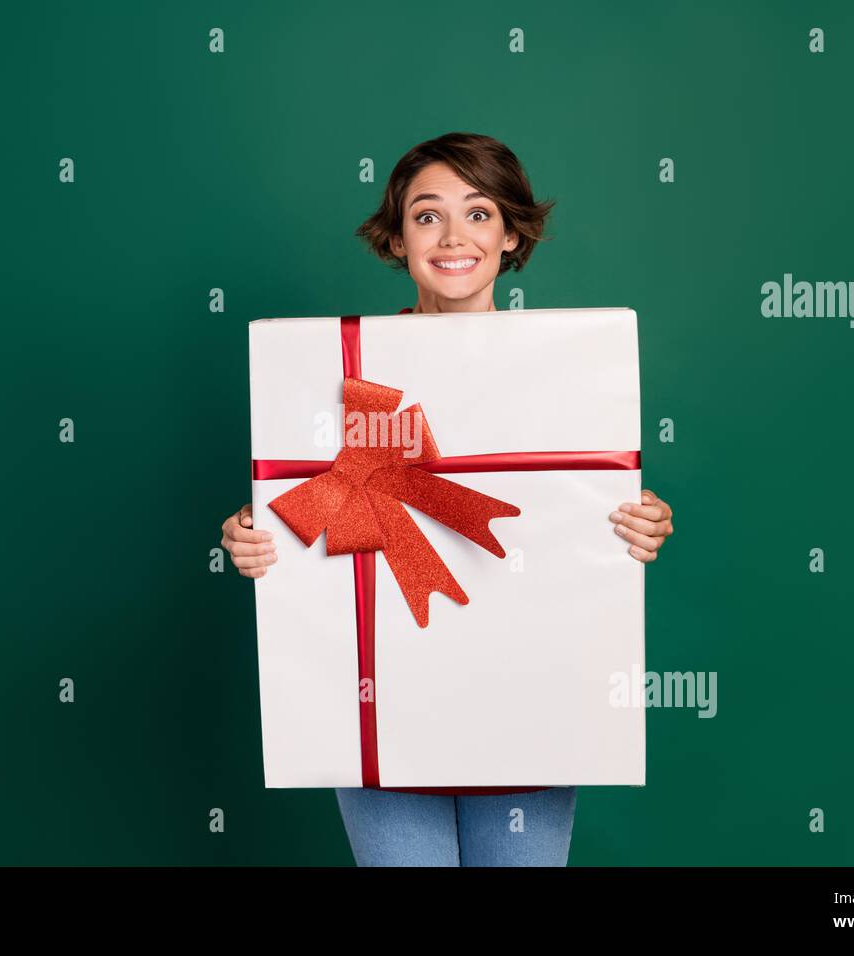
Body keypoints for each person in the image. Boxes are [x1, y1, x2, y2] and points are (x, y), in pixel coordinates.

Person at [222, 132, 674, 865]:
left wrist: (636, 518)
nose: (454, 236)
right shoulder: (347, 378)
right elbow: (303, 501)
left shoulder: (568, 373)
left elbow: (580, 500)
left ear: (512, 233)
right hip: (384, 702)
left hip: (531, 699)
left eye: (480, 213)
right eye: (427, 216)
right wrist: (253, 528)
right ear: (397, 239)